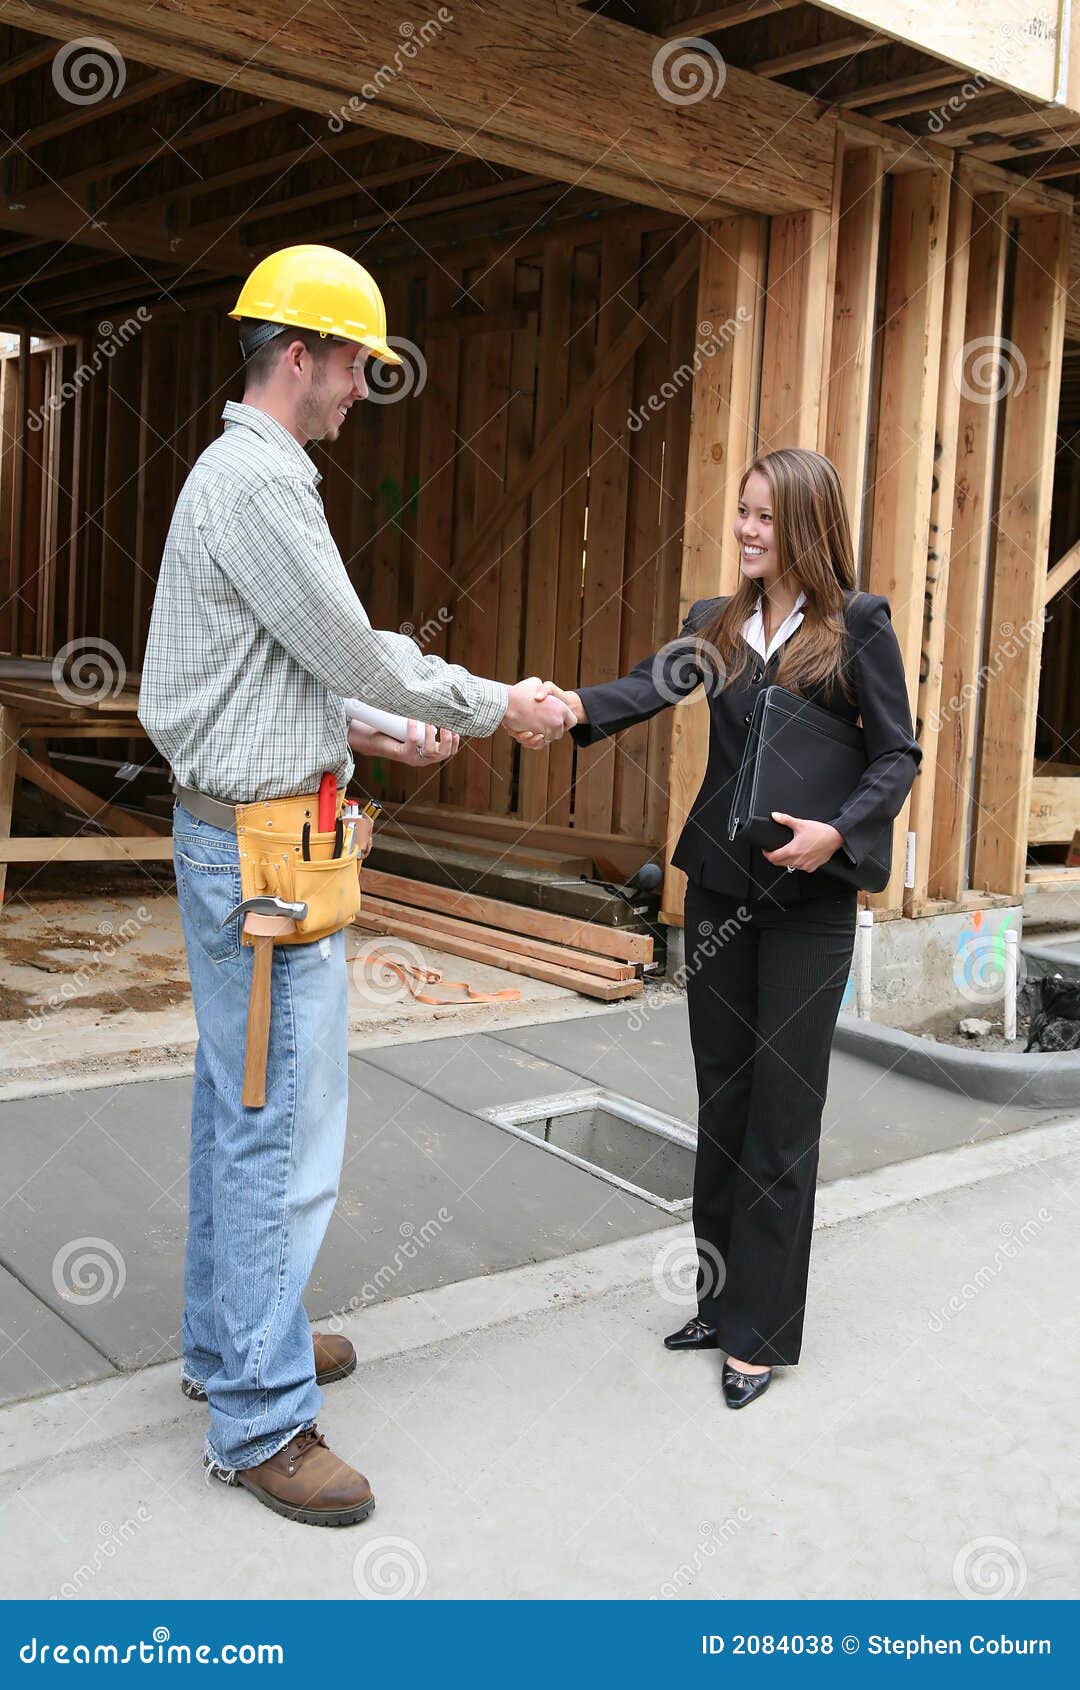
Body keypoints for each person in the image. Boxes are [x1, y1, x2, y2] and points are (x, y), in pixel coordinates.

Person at [138, 244, 574, 1527]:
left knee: (240, 1106)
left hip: (255, 831)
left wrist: (367, 729)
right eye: (352, 369)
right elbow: (343, 643)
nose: (361, 394)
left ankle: (233, 1350)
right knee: (279, 1131)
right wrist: (498, 704)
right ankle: (261, 1424)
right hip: (263, 853)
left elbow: (283, 662)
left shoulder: (244, 476)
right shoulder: (260, 484)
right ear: (297, 358)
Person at [538, 448, 921, 1410]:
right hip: (717, 890)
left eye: (763, 516)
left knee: (784, 1119)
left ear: (804, 525)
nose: (746, 530)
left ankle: (758, 1332)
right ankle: (718, 1299)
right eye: (742, 512)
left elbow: (898, 753)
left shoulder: (857, 627)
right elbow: (638, 690)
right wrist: (562, 708)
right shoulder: (716, 628)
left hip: (810, 906)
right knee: (725, 1099)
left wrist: (838, 832)